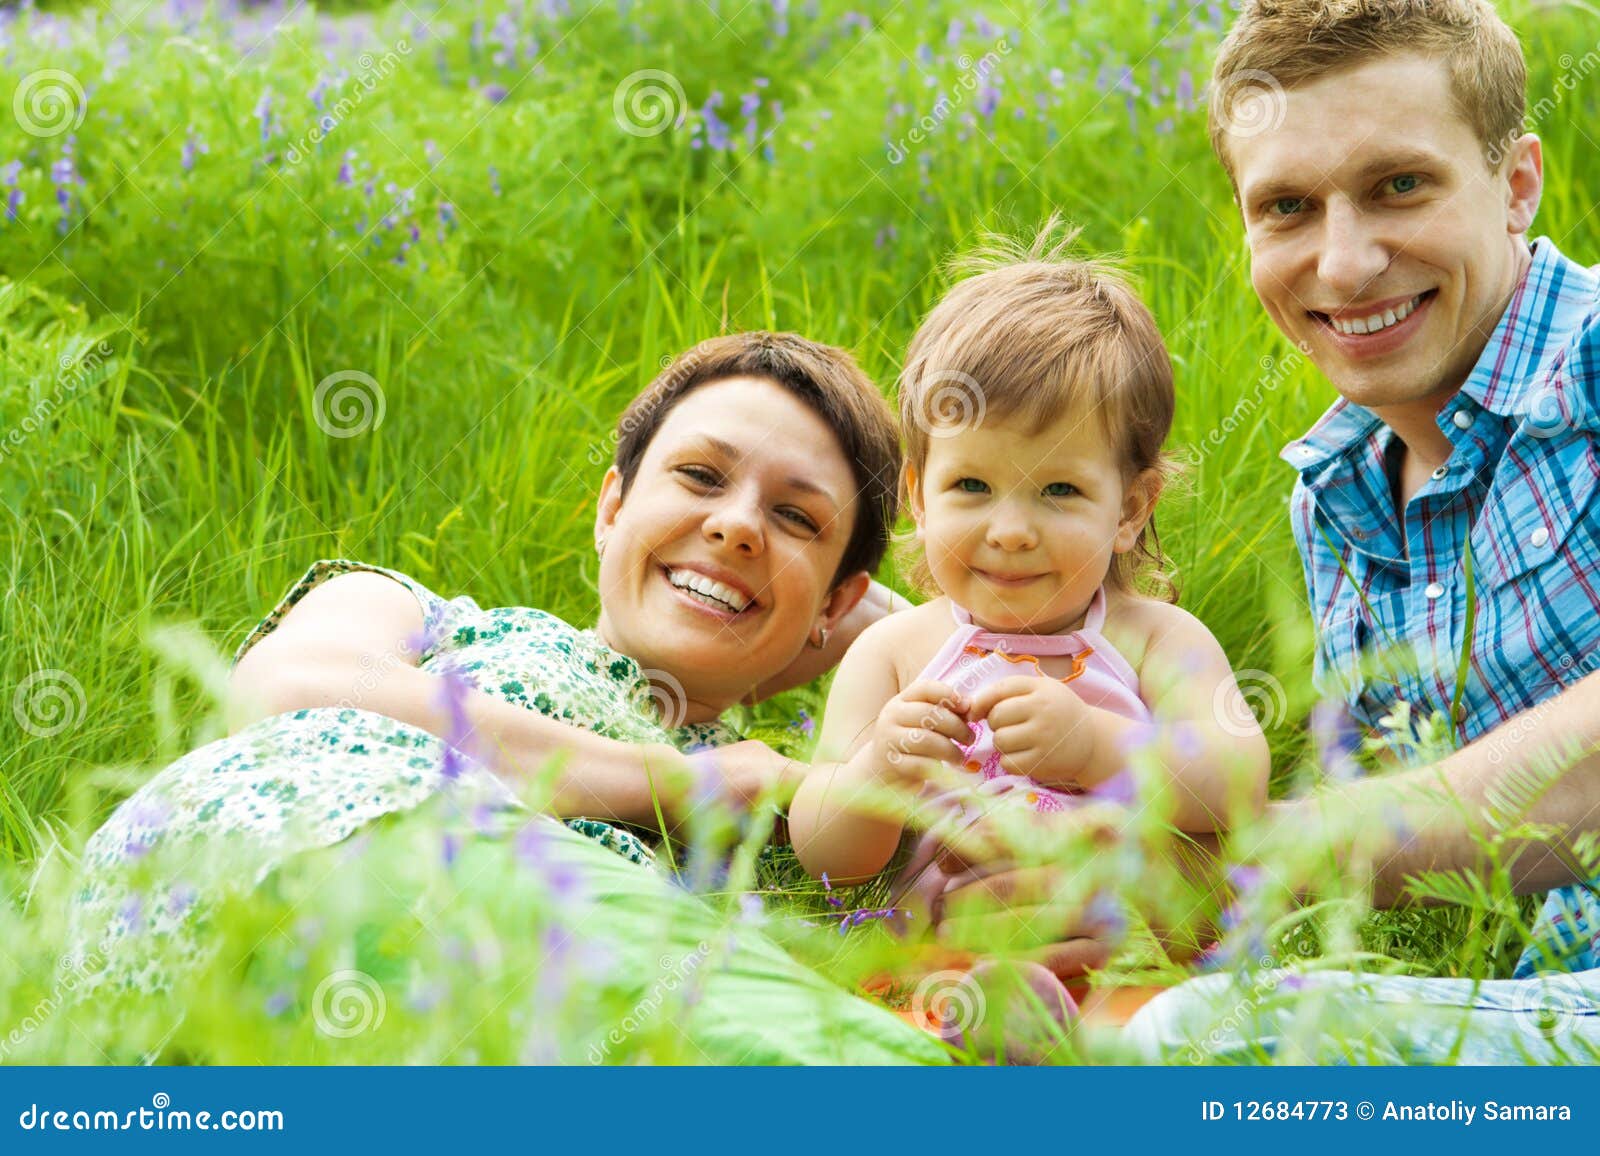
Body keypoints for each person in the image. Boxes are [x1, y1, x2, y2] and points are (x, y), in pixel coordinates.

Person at [67, 331, 948, 1064]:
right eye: (699, 477)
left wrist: (870, 629)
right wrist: (684, 783)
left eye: (797, 518)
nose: (736, 524)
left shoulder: (806, 821)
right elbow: (287, 687)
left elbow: (971, 664)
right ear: (611, 509)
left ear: (837, 600)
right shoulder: (426, 617)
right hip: (325, 864)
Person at [1120, 0, 1600, 1061]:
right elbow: (1397, 846)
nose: (1341, 265)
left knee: (1212, 1043)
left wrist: (1263, 856)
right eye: (1287, 206)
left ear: (1516, 182)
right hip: (1555, 1016)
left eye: (1398, 186)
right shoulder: (1335, 495)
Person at [789, 226, 1269, 1049]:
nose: (1011, 530)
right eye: (971, 484)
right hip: (937, 953)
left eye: (1057, 490)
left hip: (1131, 947)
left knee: (1171, 1036)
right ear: (918, 494)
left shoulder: (1156, 639)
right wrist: (878, 771)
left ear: (1129, 509)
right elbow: (825, 850)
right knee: (871, 1033)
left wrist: (1096, 745)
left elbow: (1238, 781)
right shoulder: (897, 653)